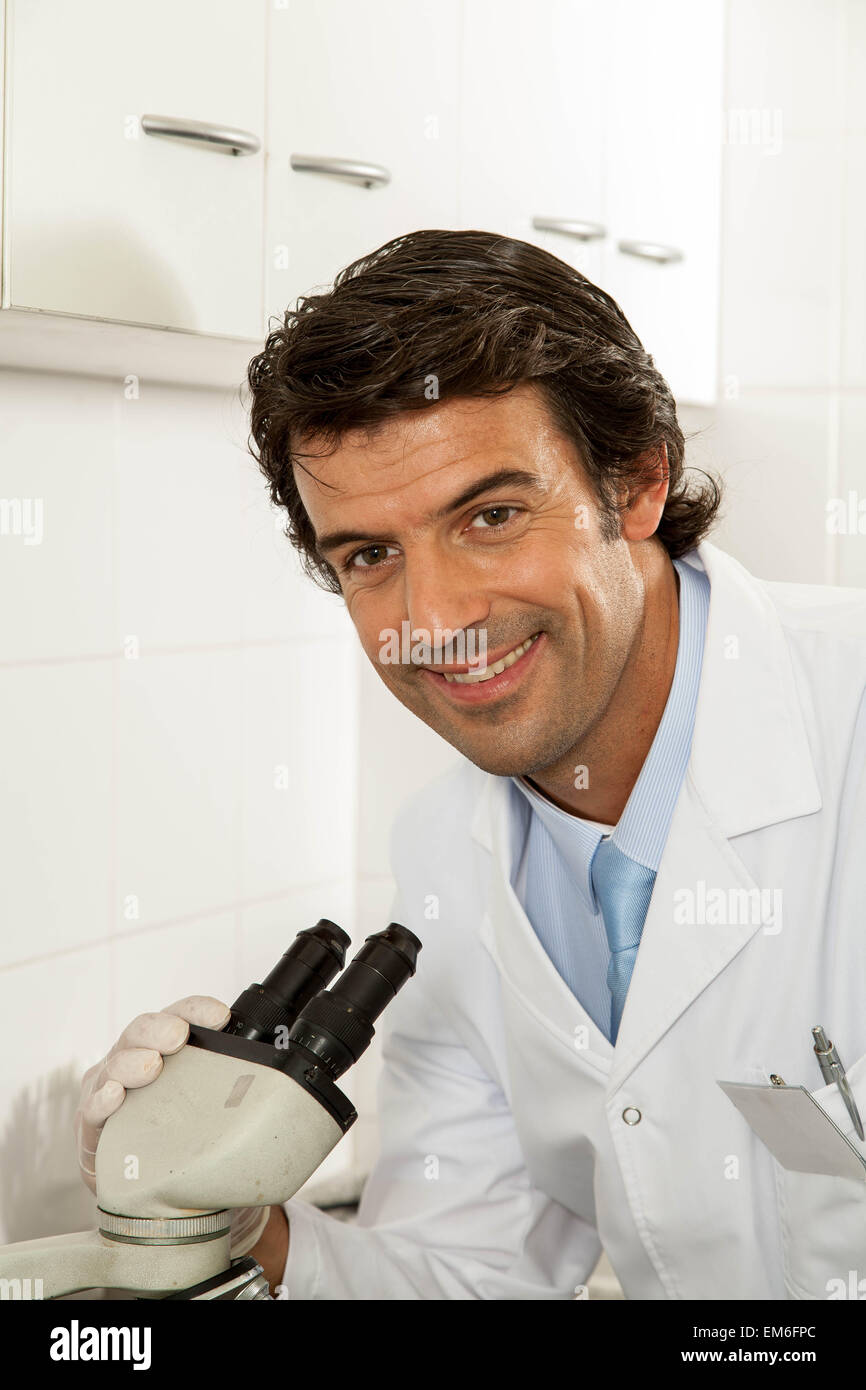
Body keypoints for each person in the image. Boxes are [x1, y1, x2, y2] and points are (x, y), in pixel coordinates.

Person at [76, 230, 866, 1299]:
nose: (433, 620)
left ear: (634, 486)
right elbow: (470, 1272)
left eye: (490, 516)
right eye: (368, 555)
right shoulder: (447, 855)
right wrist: (224, 1217)